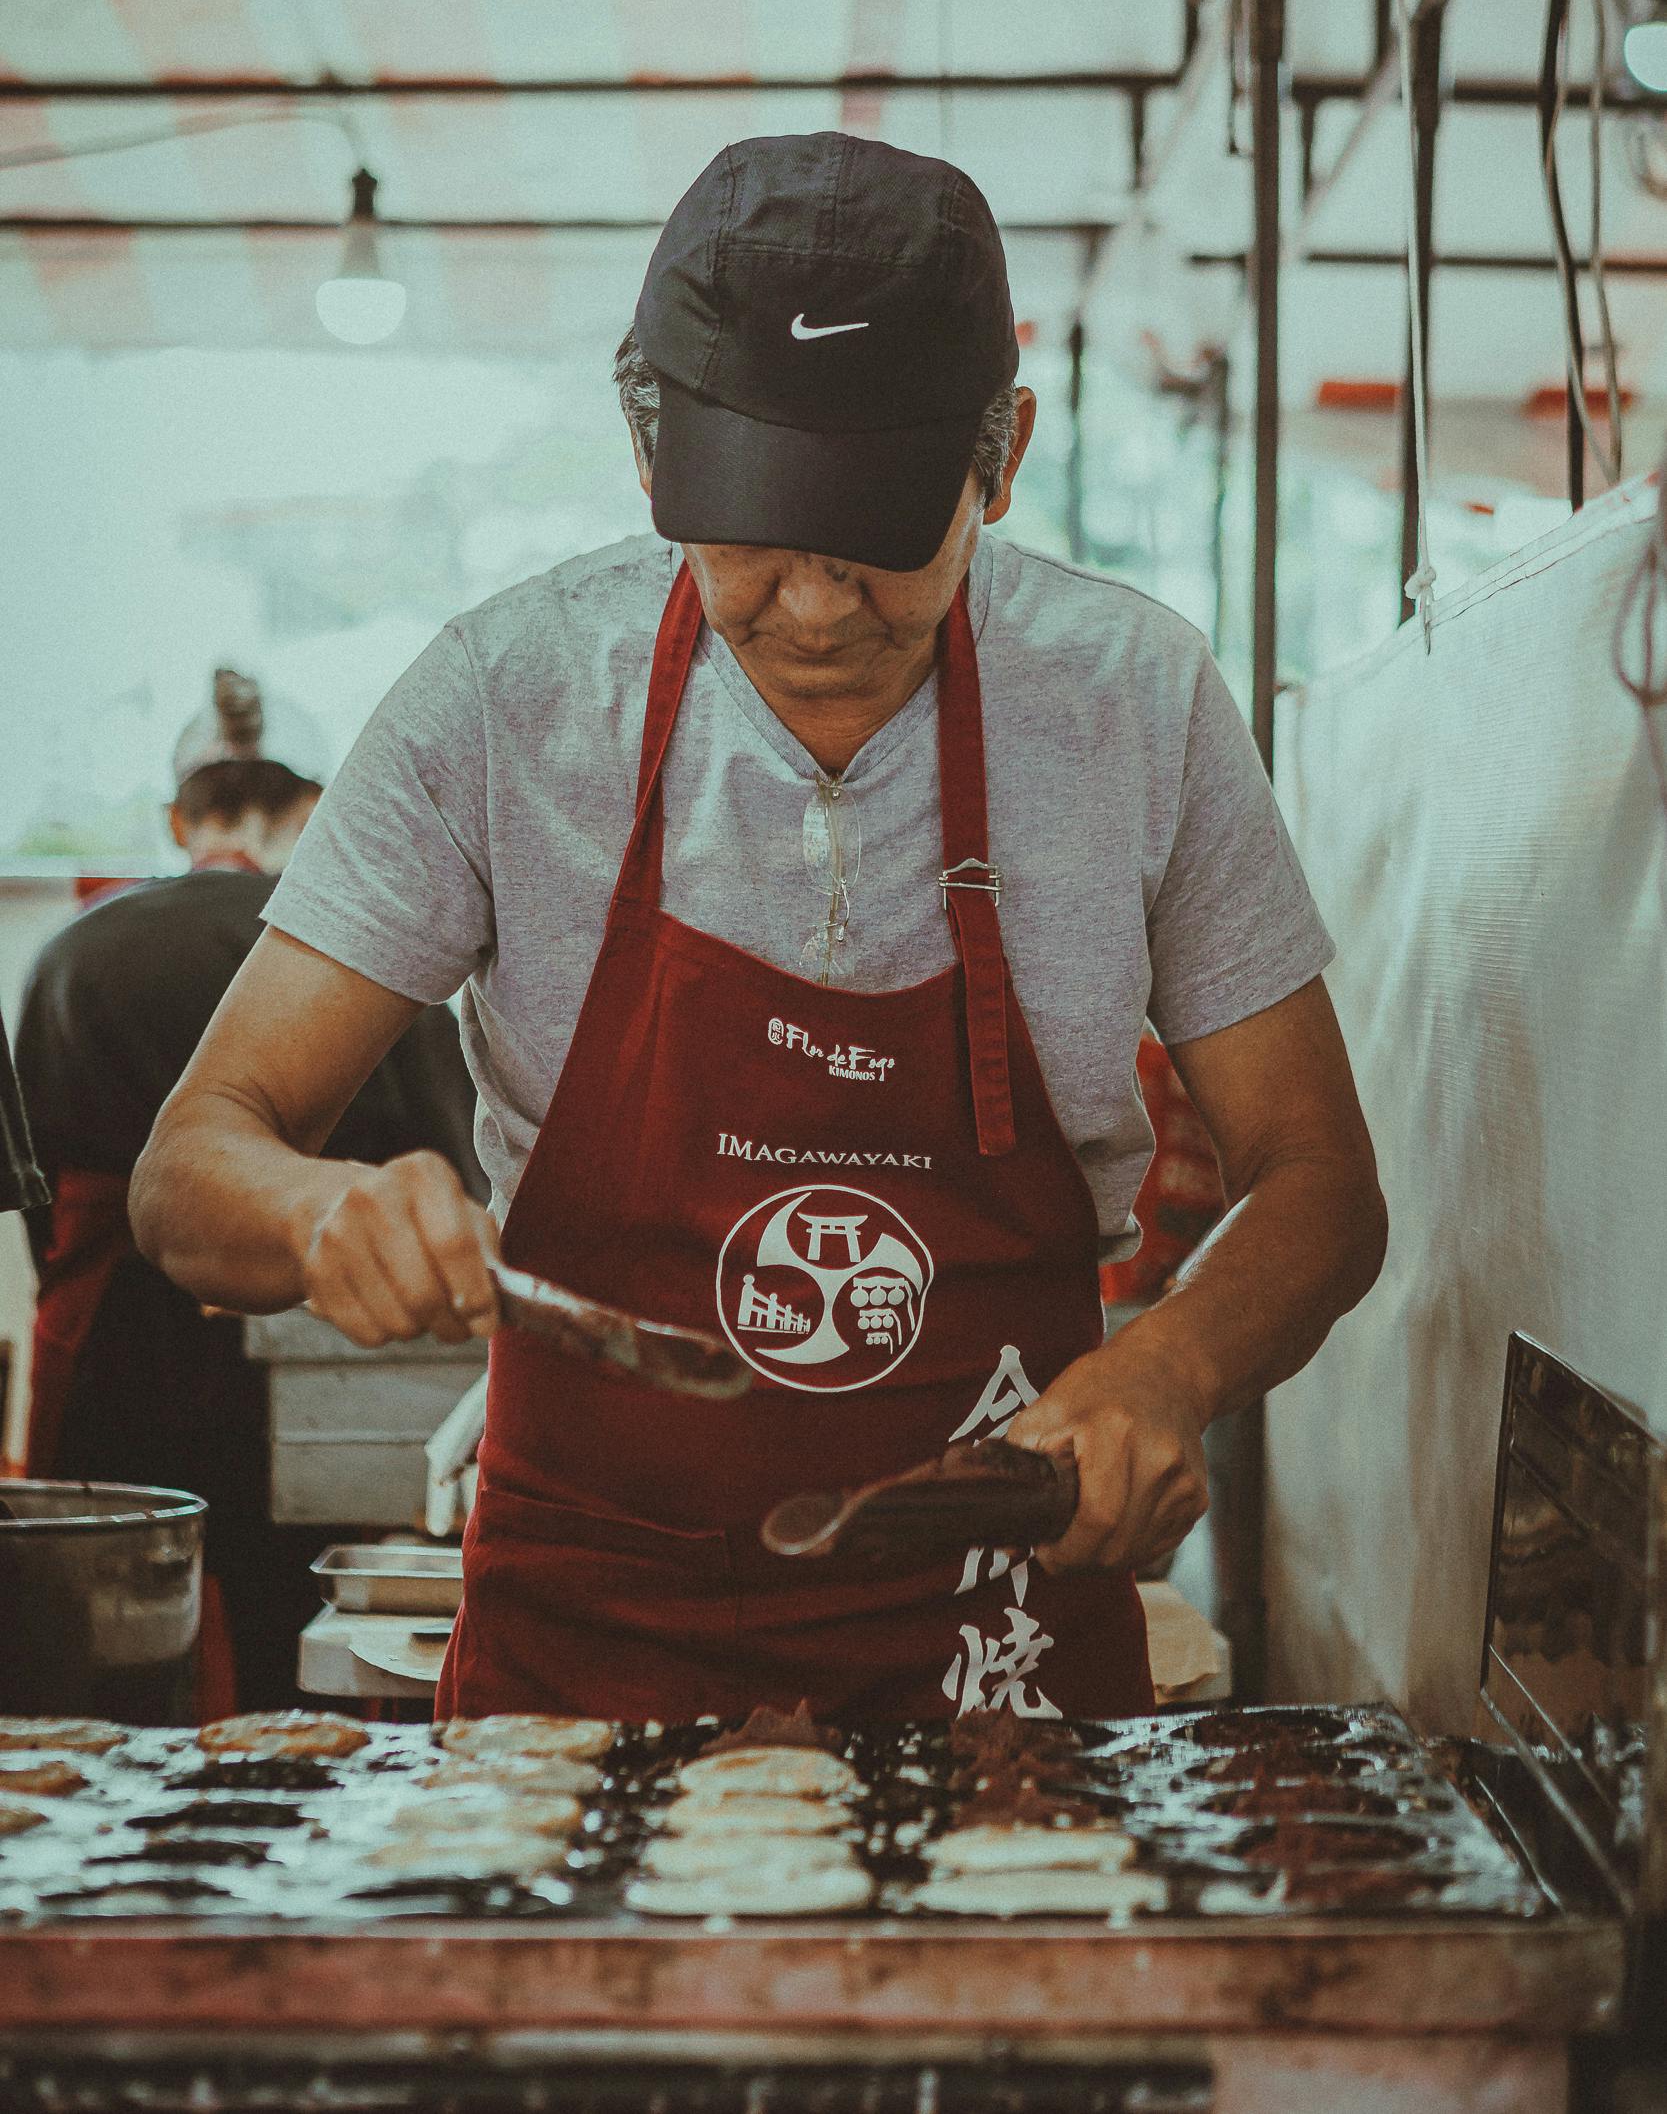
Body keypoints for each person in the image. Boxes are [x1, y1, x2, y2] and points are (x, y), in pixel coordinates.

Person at [132, 135, 1387, 1724]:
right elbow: (193, 1163)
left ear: (997, 460)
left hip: (991, 1643)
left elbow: (1320, 1182)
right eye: (748, 535)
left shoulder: (1135, 706)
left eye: (875, 542)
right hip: (580, 1657)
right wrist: (321, 1217)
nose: (809, 608)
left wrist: (1166, 1369)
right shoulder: (503, 705)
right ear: (649, 454)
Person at [17, 667, 484, 1710]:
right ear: (316, 810)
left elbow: (39, 1211)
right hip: (317, 1369)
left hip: (109, 1355)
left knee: (97, 1667)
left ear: (181, 813)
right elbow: (456, 1185)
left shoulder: (68, 955)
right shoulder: (360, 961)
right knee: (296, 1658)